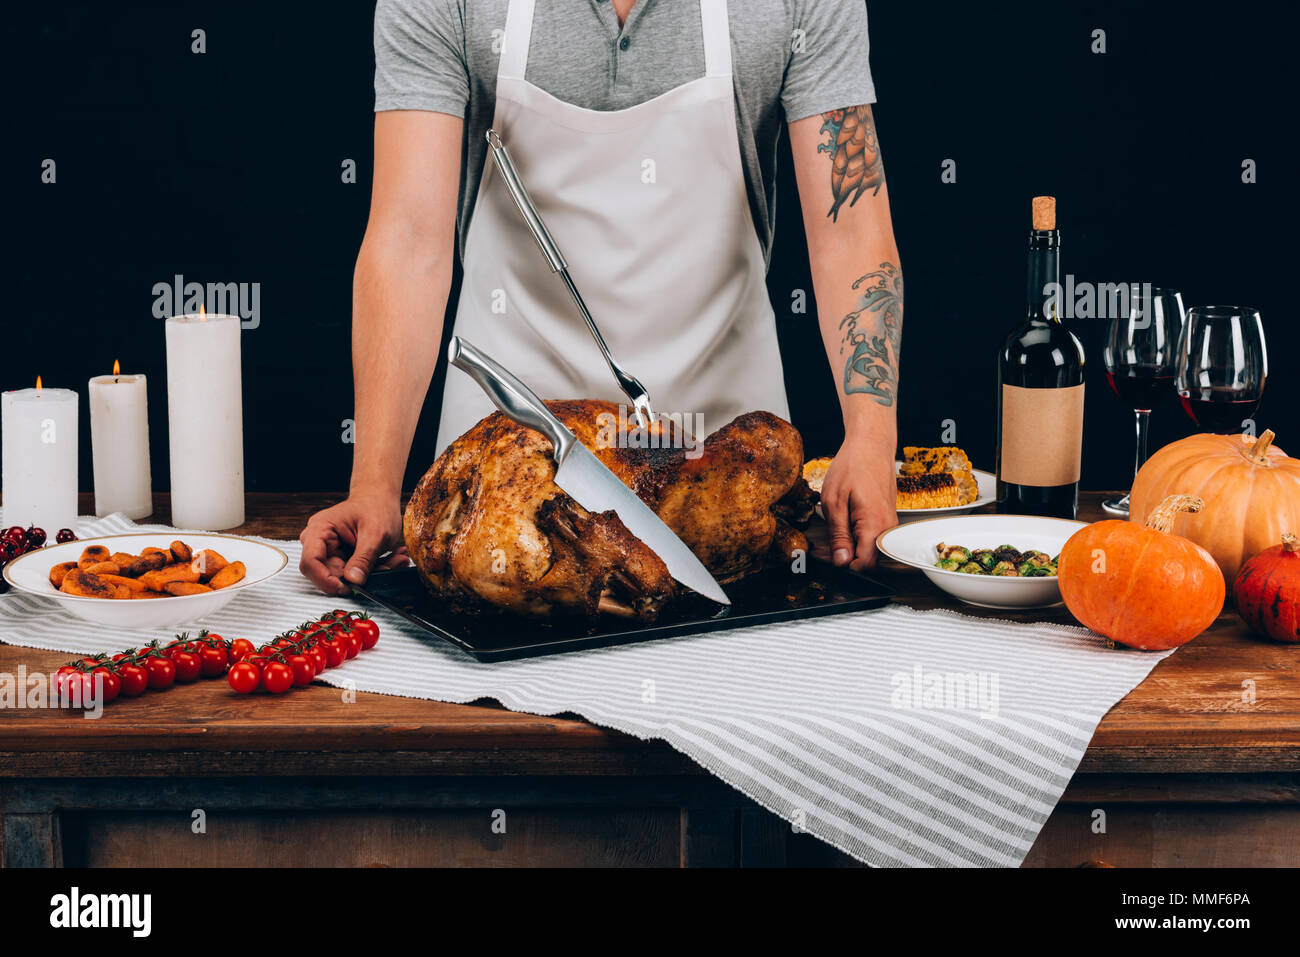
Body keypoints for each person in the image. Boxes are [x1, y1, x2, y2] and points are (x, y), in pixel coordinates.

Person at [300, 0, 902, 595]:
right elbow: (407, 241)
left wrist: (872, 439)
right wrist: (375, 484)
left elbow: (850, 233)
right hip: (505, 489)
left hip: (725, 471)